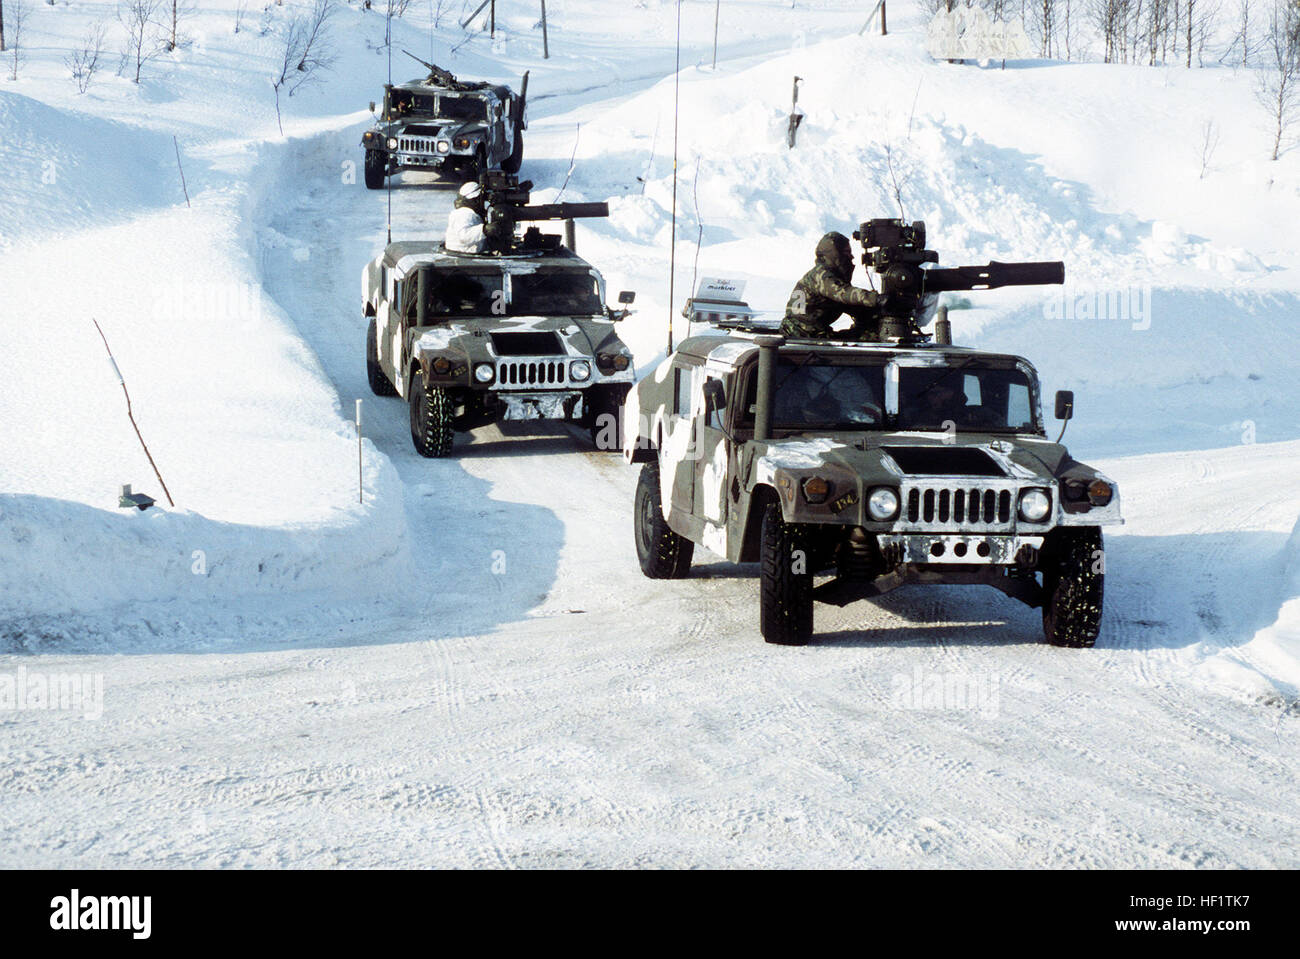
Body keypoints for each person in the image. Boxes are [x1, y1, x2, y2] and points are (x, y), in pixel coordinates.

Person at [780, 232, 883, 340]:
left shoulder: (830, 276)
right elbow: (842, 293)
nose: (851, 256)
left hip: (809, 331)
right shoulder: (821, 275)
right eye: (846, 252)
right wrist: (875, 299)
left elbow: (847, 303)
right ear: (835, 254)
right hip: (801, 333)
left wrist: (873, 311)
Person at [444, 181, 488, 253]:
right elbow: (464, 236)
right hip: (461, 253)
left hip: (467, 252)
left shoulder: (470, 213)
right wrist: (484, 230)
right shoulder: (464, 213)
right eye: (478, 199)